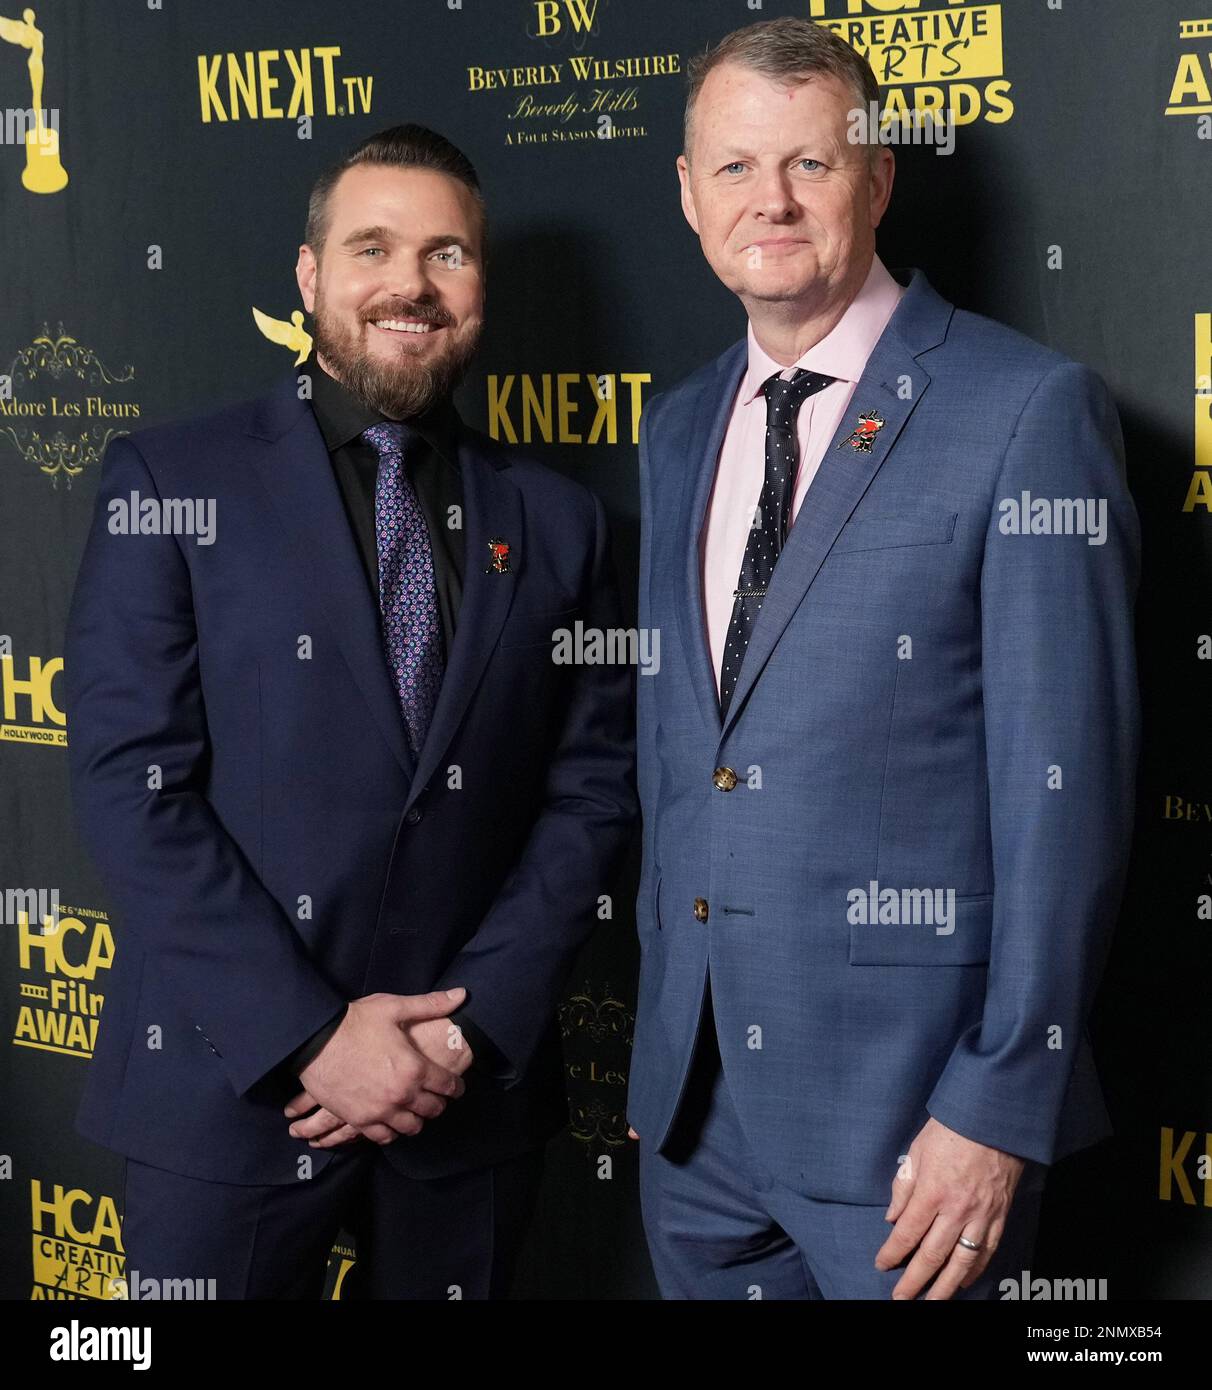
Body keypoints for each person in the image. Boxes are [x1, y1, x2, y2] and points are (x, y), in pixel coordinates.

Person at [65, 123, 636, 1300]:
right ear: (311, 276)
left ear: (481, 284)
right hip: (228, 1093)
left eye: (447, 254)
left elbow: (593, 794)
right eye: (371, 247)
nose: (410, 286)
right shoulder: (171, 483)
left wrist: (458, 1034)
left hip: (464, 1101)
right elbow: (134, 785)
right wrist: (314, 1036)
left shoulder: (564, 522)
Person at [628, 19, 1139, 1301]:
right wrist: (658, 1049)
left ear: (881, 176)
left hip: (913, 1135)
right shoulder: (680, 423)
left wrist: (999, 1105)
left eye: (811, 162)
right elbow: (683, 757)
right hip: (695, 1130)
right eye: (736, 168)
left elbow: (1062, 798)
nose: (774, 200)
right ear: (688, 194)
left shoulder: (1026, 412)